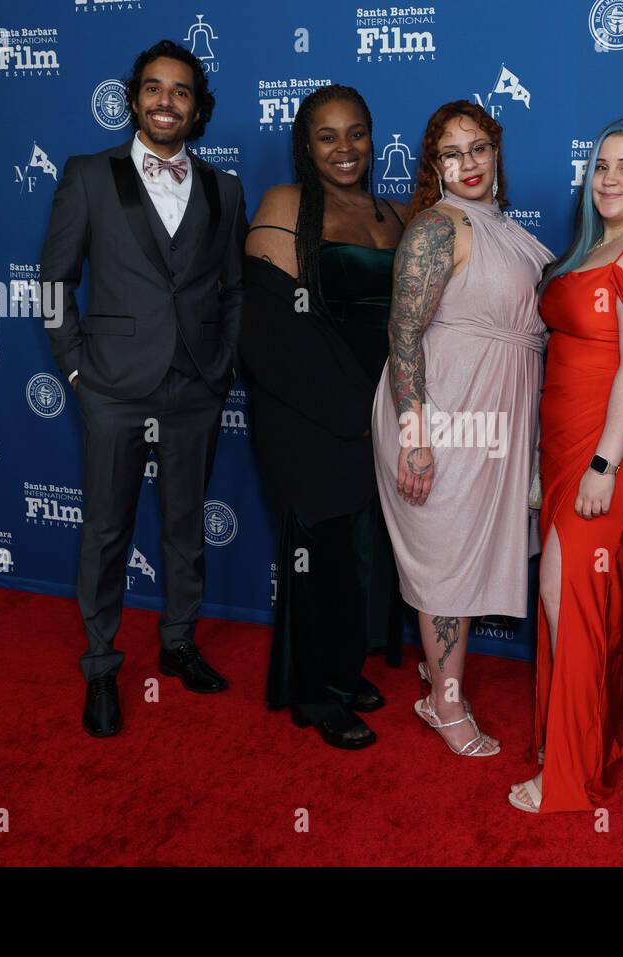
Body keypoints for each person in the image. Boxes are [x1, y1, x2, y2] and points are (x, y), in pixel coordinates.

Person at [39, 40, 247, 737]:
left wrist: (221, 367)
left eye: (181, 91)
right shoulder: (89, 175)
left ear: (198, 107)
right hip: (114, 387)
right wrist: (75, 369)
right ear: (134, 100)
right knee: (106, 528)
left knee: (186, 525)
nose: (166, 101)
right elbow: (52, 284)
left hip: (195, 384)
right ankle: (101, 664)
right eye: (154, 89)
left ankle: (179, 641)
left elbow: (237, 289)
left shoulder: (225, 189)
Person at [508, 118, 623, 813]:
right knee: (571, 602)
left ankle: (574, 777)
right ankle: (580, 741)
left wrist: (603, 464)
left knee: (574, 602)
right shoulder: (595, 245)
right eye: (602, 165)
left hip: (615, 444)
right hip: (566, 445)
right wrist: (545, 462)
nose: (609, 179)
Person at [370, 100, 552, 757]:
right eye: (451, 153)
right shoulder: (435, 227)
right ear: (434, 165)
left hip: (495, 416)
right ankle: (443, 701)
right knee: (447, 555)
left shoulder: (505, 227)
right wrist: (414, 434)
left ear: (496, 151)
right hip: (440, 413)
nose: (468, 163)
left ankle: (435, 668)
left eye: (478, 148)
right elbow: (404, 333)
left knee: (466, 549)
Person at [238, 84, 407, 750]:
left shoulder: (393, 214)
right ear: (305, 146)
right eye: (327, 136)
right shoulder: (288, 204)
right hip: (308, 409)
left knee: (363, 548)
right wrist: (350, 410)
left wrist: (394, 408)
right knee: (318, 549)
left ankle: (342, 670)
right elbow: (269, 326)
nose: (345, 149)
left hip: (379, 407)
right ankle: (311, 692)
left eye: (357, 133)